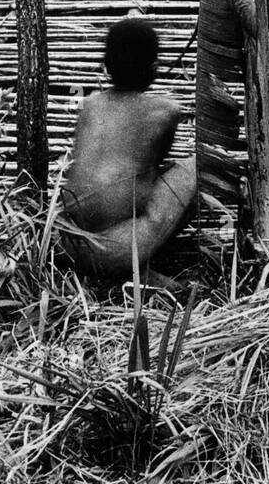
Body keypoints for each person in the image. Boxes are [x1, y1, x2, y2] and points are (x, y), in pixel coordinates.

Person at [56, 17, 197, 289]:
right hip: (119, 249)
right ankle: (137, 271)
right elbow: (153, 166)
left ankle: (116, 271)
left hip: (69, 244)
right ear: (152, 67)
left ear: (107, 65)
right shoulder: (164, 112)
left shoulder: (89, 107)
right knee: (197, 168)